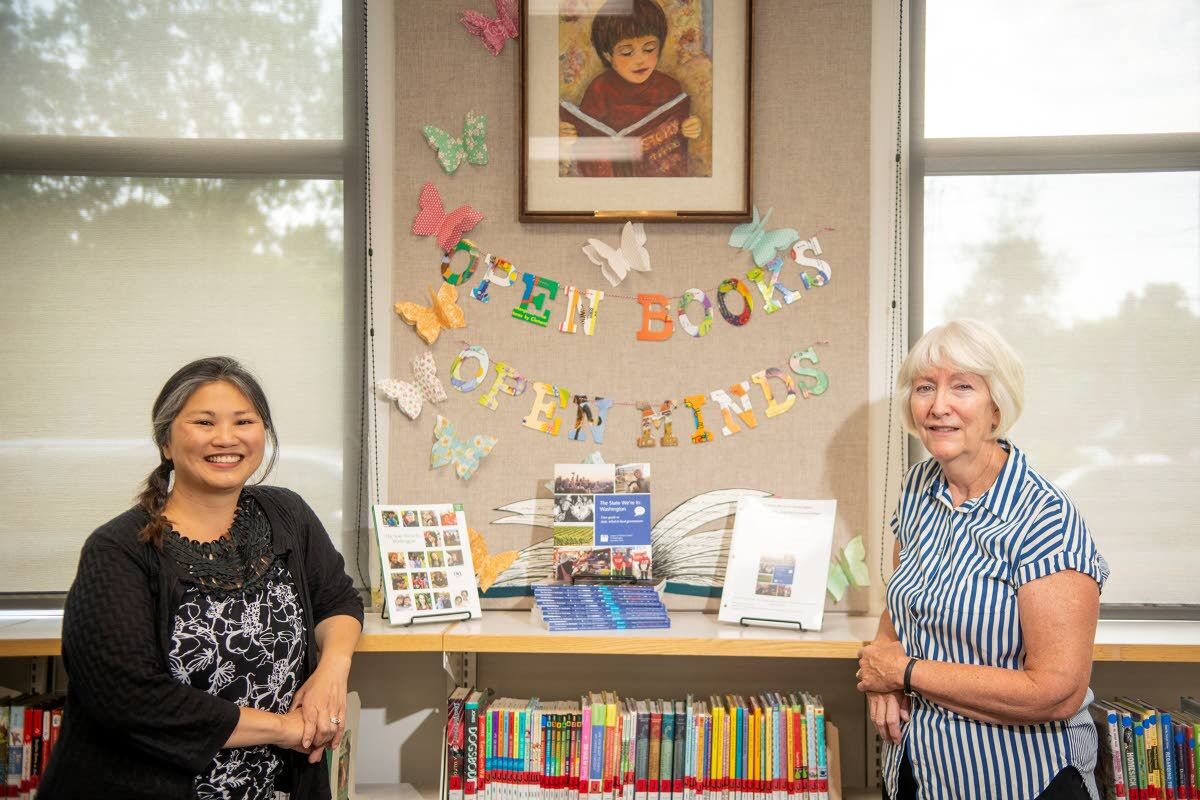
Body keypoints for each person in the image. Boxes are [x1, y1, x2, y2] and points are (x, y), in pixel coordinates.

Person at [40, 357, 364, 800]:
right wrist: (285, 729)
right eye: (204, 422)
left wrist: (332, 670)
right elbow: (131, 700)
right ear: (167, 442)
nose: (226, 438)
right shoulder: (118, 550)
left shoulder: (286, 514)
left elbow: (338, 601)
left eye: (244, 421)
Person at [856, 321, 1109, 800]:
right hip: (917, 767)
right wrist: (880, 673)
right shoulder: (917, 487)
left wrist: (903, 673)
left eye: (963, 387)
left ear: (997, 406)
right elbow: (903, 603)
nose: (938, 406)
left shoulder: (1044, 518)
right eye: (925, 387)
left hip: (1019, 780)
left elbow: (1057, 691)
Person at [560, 0, 702, 177]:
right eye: (627, 52)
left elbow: (677, 135)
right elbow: (587, 137)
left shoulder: (669, 87)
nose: (640, 60)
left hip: (659, 178)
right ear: (607, 54)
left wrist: (689, 127)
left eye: (649, 49)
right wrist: (569, 137)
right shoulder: (599, 89)